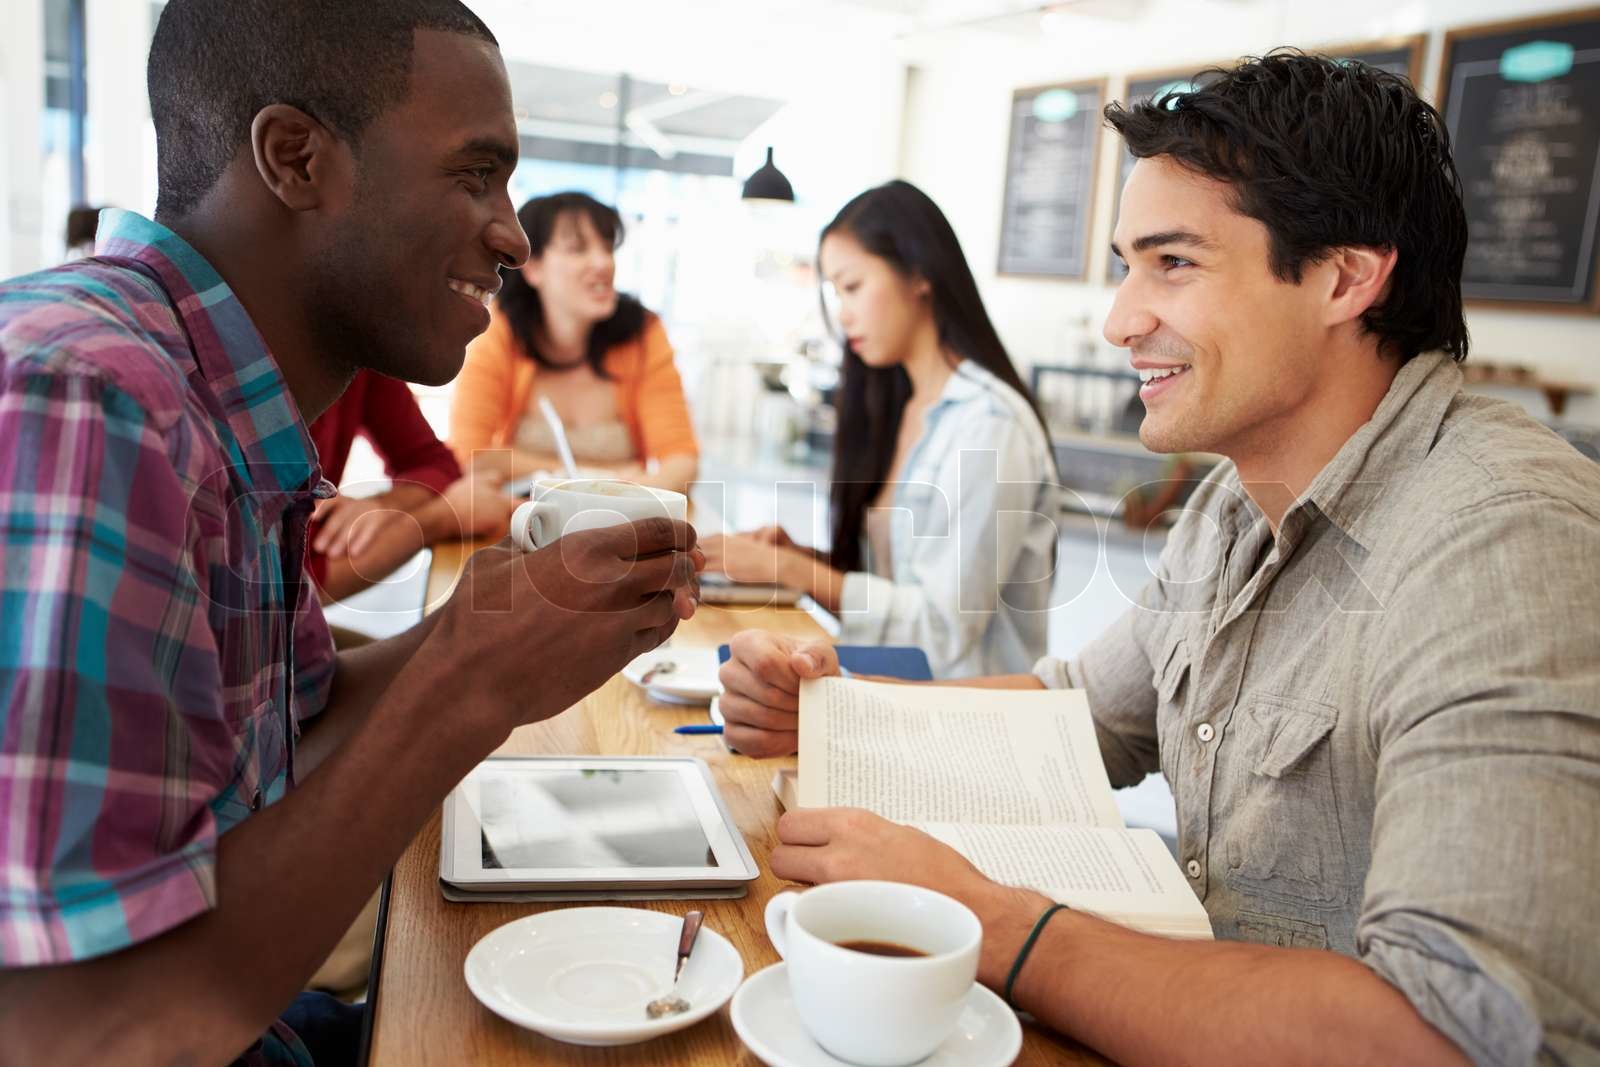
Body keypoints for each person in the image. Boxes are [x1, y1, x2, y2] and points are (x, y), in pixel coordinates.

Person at [718, 53, 1600, 1065]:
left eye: (1172, 264)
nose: (1119, 320)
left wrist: (994, 920)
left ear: (1343, 276)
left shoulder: (1508, 537)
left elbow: (1455, 1032)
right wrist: (835, 713)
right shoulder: (1234, 499)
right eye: (1125, 265)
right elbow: (1081, 712)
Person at [0, 4, 699, 1066]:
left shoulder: (213, 397)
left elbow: (296, 723)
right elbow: (82, 1031)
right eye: (476, 175)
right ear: (295, 158)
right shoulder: (93, 396)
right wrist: (469, 685)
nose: (511, 233)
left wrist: (496, 619)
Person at [702, 181, 1060, 678]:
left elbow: (943, 632)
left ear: (919, 275)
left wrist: (799, 573)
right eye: (834, 292)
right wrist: (802, 559)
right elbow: (902, 587)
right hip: (892, 701)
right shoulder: (903, 406)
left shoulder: (988, 426)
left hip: (970, 728)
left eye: (852, 287)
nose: (842, 313)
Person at [448, 191, 699, 493]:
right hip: (525, 520)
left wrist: (640, 495)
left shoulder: (643, 333)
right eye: (578, 249)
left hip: (619, 520)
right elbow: (467, 457)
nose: (603, 262)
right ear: (533, 267)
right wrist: (592, 475)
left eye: (607, 247)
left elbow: (682, 461)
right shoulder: (500, 332)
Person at [307, 368, 517, 602]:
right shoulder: (268, 390)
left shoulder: (362, 354)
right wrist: (444, 518)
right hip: (276, 631)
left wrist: (385, 505)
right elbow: (296, 582)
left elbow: (435, 462)